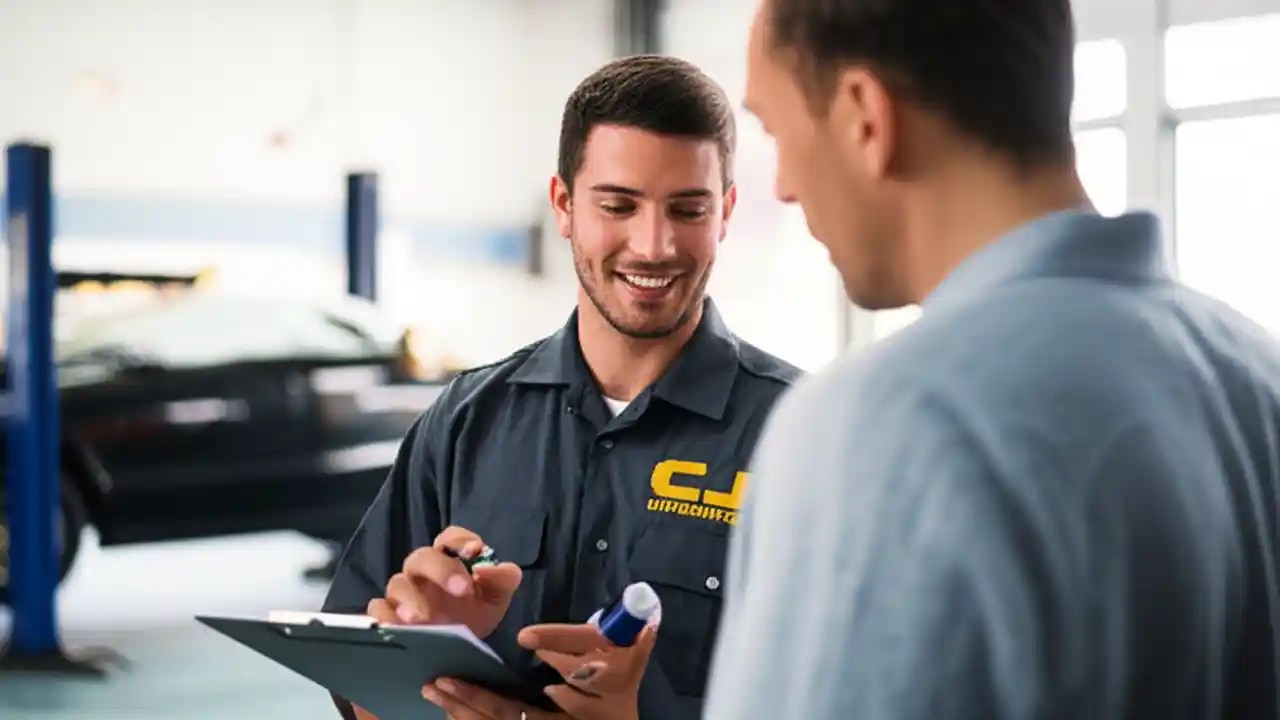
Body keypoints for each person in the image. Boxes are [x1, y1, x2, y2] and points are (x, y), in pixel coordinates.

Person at [704, 1, 1280, 718]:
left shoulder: (879, 430)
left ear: (863, 117)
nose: (784, 184)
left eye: (777, 132)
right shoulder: (1256, 376)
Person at [322, 54, 801, 720]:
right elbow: (356, 681)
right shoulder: (466, 420)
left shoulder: (803, 437)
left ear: (725, 213)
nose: (653, 245)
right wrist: (418, 661)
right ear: (564, 206)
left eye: (687, 209)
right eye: (618, 205)